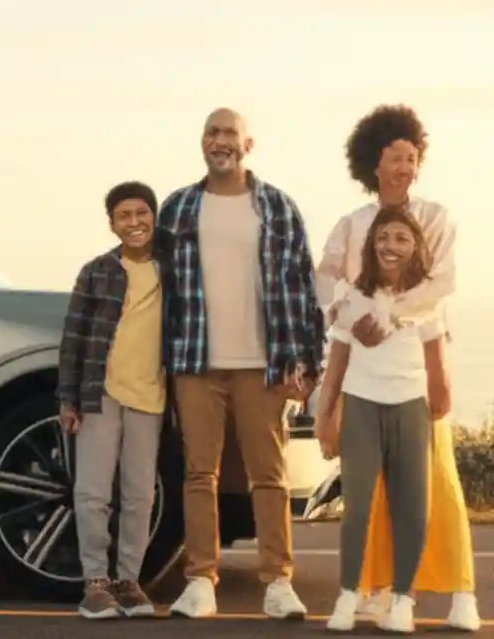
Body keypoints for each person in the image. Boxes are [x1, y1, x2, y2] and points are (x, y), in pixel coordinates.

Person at [314, 103, 480, 632]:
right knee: (376, 491)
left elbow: (440, 285)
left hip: (417, 366)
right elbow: (326, 283)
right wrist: (355, 311)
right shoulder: (352, 224)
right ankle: (381, 590)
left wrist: (387, 315)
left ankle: (461, 592)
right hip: (366, 371)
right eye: (396, 157)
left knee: (439, 483)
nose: (407, 167)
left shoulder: (435, 217)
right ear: (374, 161)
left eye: (413, 157)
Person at [158, 107, 323, 620]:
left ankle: (278, 582)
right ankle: (200, 580)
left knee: (268, 475)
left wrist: (308, 363)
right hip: (196, 361)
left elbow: (302, 287)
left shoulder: (276, 206)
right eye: (212, 131)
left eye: (230, 132)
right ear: (201, 141)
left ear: (247, 145)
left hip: (264, 363)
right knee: (198, 473)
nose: (220, 140)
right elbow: (159, 292)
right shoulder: (178, 208)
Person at [316, 206, 448, 633]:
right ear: (372, 245)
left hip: (410, 407)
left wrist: (440, 403)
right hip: (361, 405)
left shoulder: (427, 302)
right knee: (357, 508)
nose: (391, 246)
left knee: (411, 508)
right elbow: (335, 365)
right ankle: (348, 595)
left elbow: (436, 366)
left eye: (401, 239)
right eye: (383, 238)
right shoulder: (351, 298)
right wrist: (325, 417)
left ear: (415, 248)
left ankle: (402, 600)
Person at [56, 181, 165, 619]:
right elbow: (74, 338)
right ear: (112, 223)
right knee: (93, 492)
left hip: (150, 396)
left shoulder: (171, 271)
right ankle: (96, 583)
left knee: (140, 495)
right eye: (124, 216)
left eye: (142, 213)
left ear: (154, 217)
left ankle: (129, 581)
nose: (134, 223)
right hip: (100, 394)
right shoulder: (97, 270)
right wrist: (68, 399)